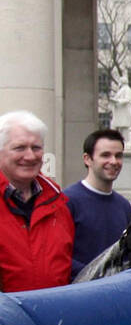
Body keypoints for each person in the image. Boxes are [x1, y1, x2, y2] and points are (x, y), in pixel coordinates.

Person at [0, 110, 74, 292]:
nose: (30, 156)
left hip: (53, 315)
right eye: (20, 148)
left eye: (36, 148)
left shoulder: (59, 204)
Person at [64, 129, 131, 277]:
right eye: (105, 155)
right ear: (87, 159)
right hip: (79, 292)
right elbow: (60, 255)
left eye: (118, 156)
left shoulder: (124, 207)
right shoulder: (67, 202)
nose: (114, 161)